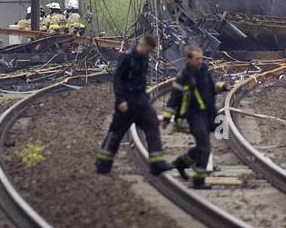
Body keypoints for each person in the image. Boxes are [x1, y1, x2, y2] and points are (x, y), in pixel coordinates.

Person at [95, 35, 171, 175]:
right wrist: (120, 100)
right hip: (127, 103)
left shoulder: (144, 60)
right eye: (148, 50)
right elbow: (117, 80)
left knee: (152, 125)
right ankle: (103, 165)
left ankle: (157, 163)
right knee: (116, 133)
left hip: (141, 102)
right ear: (143, 45)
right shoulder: (127, 58)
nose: (149, 54)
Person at [161, 45, 228, 189]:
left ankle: (180, 163)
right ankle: (198, 181)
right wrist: (167, 118)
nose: (200, 61)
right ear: (189, 59)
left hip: (207, 114)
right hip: (193, 115)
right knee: (205, 147)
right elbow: (174, 97)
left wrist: (221, 87)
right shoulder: (183, 76)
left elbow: (210, 87)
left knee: (200, 147)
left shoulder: (203, 70)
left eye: (201, 58)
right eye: (197, 59)